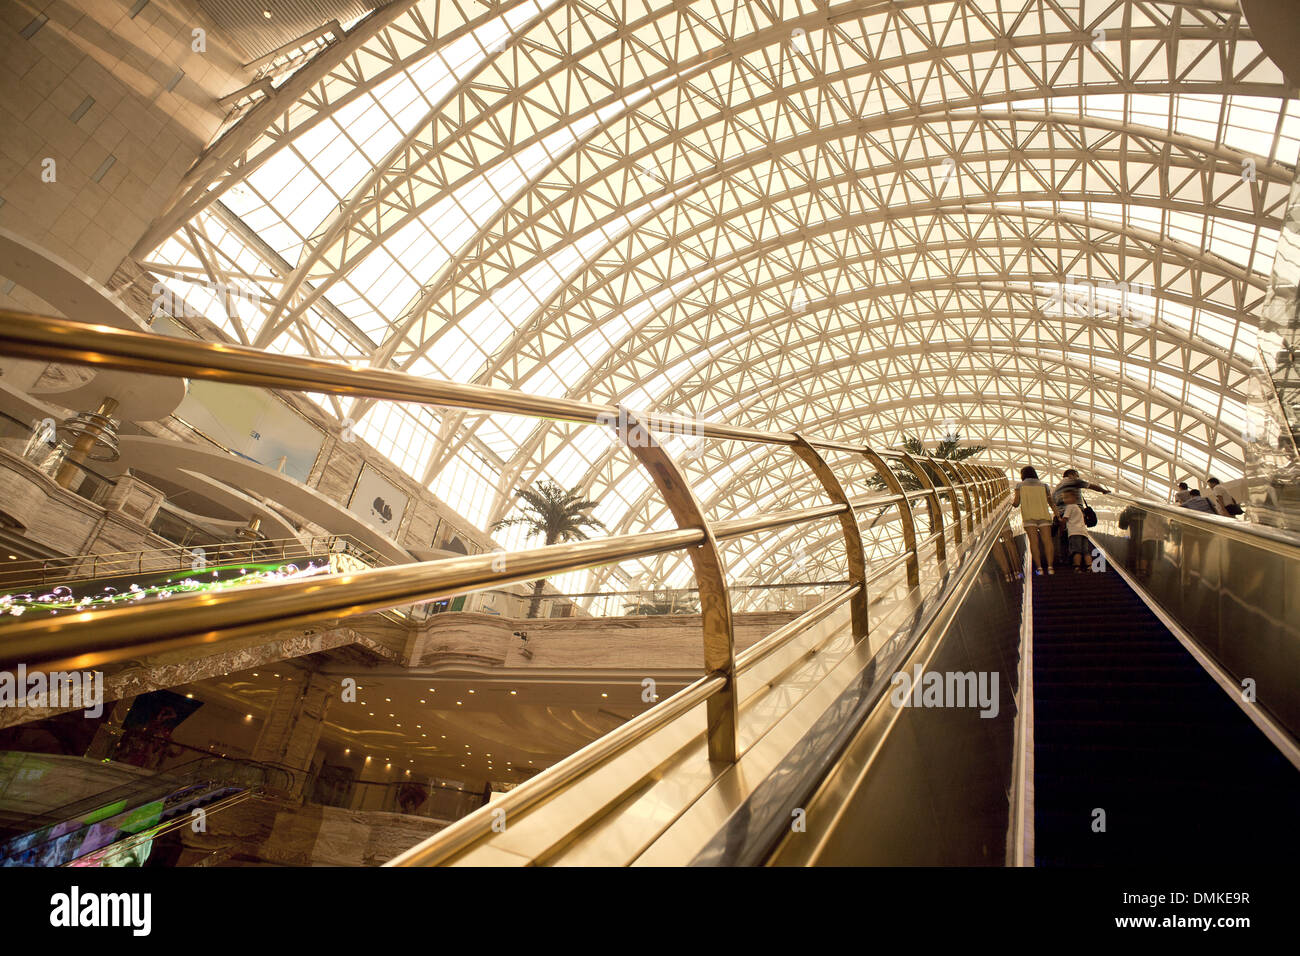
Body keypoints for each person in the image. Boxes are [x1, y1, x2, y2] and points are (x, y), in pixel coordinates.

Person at [1051, 469, 1109, 565]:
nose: (1077, 477)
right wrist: (1103, 490)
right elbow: (1091, 486)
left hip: (1060, 515)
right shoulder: (1073, 480)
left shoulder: (1056, 488)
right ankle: (1079, 560)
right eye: (1077, 475)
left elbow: (1052, 503)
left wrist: (1057, 516)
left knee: (1064, 537)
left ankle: (1064, 559)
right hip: (1075, 513)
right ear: (1071, 474)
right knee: (1077, 535)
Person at [1011, 466, 1056, 575]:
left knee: (1034, 542)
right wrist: (1057, 515)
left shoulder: (1020, 486)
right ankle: (1050, 568)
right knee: (1048, 542)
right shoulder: (1044, 485)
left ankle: (1039, 568)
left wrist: (1010, 503)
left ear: (1023, 475)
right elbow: (1051, 502)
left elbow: (1016, 503)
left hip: (1029, 517)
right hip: (1044, 515)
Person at [1060, 489, 1090, 572]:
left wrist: (1061, 526)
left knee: (1076, 550)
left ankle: (1077, 567)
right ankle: (1089, 567)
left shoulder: (1070, 507)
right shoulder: (1078, 508)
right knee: (1086, 551)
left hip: (1074, 532)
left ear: (1074, 498)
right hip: (1083, 532)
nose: (1064, 500)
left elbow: (1065, 519)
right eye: (1063, 498)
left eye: (1066, 497)